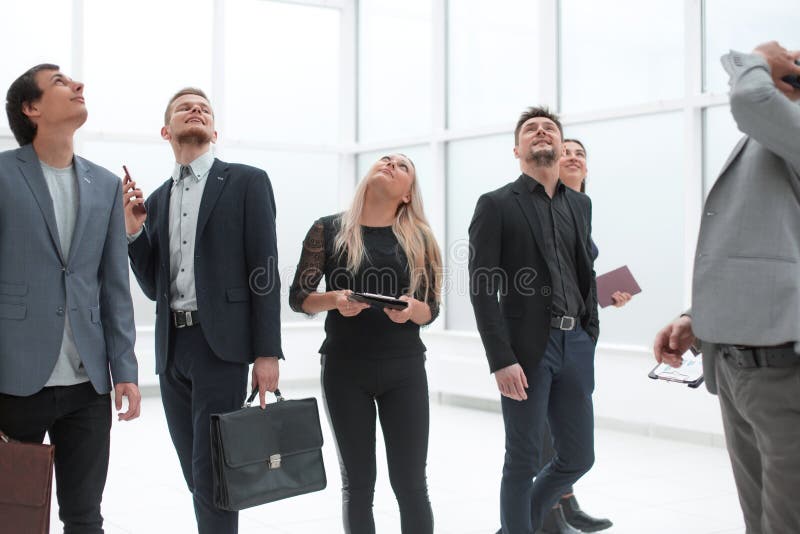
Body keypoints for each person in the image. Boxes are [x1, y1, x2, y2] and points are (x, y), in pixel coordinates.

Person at [654, 41, 800, 534]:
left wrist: (757, 58)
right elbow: (764, 248)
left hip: (784, 372)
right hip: (737, 369)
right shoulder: (773, 140)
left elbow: (750, 99)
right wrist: (698, 318)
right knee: (757, 522)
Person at [124, 87, 282, 534]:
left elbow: (265, 272)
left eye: (204, 109)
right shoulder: (157, 200)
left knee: (213, 473)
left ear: (214, 130)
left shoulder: (247, 182)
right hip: (173, 348)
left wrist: (267, 352)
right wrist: (134, 233)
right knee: (197, 475)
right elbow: (154, 287)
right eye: (184, 107)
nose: (195, 110)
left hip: (221, 348)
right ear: (166, 131)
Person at [0, 64, 141, 533]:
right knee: (13, 515)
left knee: (84, 518)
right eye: (59, 82)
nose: (77, 85)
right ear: (31, 108)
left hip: (87, 386)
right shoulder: (3, 174)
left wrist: (124, 369)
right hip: (14, 382)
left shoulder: (104, 184)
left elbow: (114, 286)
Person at [289, 153, 442, 534]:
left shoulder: (420, 237)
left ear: (407, 194)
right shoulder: (328, 229)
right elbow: (299, 297)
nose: (390, 164)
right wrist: (334, 300)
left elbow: (431, 309)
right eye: (385, 159)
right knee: (358, 485)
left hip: (405, 370)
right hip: (345, 370)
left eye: (403, 166)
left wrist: (411, 310)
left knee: (411, 484)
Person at [469, 107, 599, 534]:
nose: (541, 132)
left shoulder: (579, 204)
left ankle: (516, 526)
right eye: (531, 129)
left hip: (575, 343)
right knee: (523, 459)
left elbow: (585, 273)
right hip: (525, 351)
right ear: (517, 149)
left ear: (560, 146)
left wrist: (590, 333)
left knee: (578, 457)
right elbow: (482, 288)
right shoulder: (496, 204)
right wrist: (500, 358)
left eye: (549, 129)